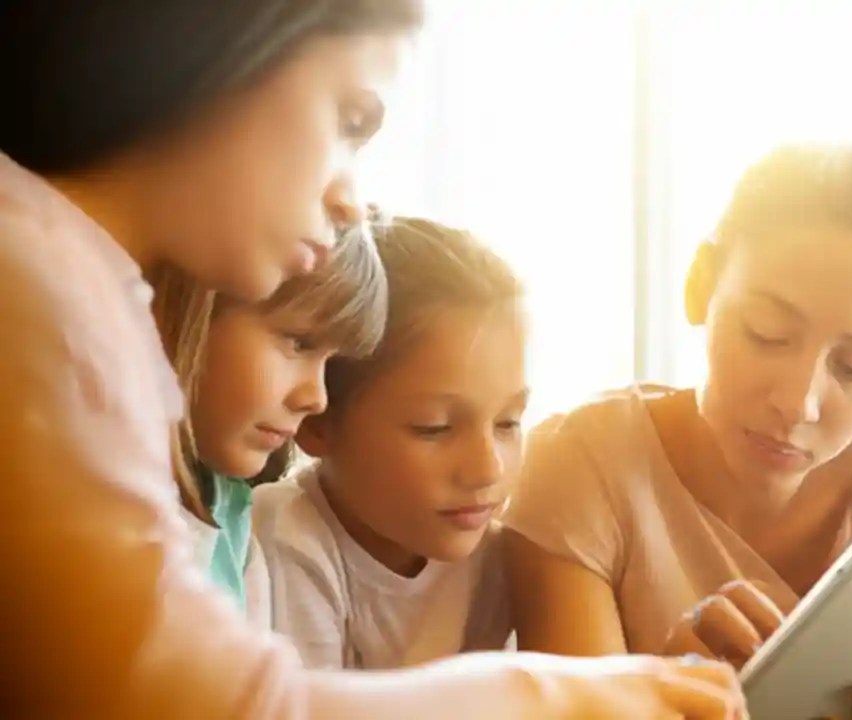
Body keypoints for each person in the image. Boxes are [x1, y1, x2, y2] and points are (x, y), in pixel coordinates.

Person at [0, 3, 742, 717]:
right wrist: (545, 695)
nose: (353, 203)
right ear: (227, 44)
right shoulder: (34, 292)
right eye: (349, 121)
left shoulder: (75, 292)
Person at [505, 138, 852, 718]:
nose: (799, 404)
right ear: (700, 286)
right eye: (767, 333)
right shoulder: (583, 464)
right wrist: (661, 698)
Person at [255, 217, 520, 668]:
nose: (487, 469)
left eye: (508, 422)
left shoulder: (505, 550)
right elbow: (310, 701)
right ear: (318, 423)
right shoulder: (287, 540)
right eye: (434, 427)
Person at [153, 228, 387, 624]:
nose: (317, 398)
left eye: (330, 363)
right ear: (191, 307)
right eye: (300, 343)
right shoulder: (81, 511)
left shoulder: (229, 513)